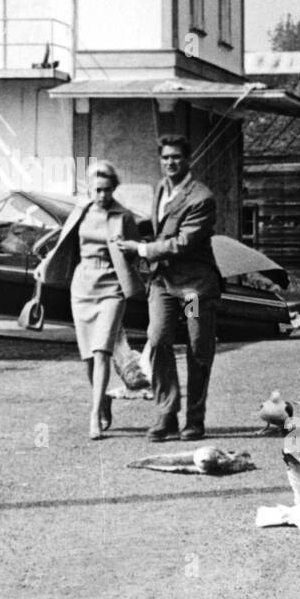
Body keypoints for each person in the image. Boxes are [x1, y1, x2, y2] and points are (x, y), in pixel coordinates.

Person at [115, 134, 222, 442]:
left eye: (176, 157)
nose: (170, 163)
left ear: (188, 160)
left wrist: (142, 250)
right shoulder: (161, 188)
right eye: (165, 158)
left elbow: (185, 242)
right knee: (158, 339)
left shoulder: (201, 197)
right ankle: (167, 414)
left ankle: (194, 419)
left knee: (197, 347)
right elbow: (162, 229)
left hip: (193, 289)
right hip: (163, 283)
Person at [34, 160, 143, 440]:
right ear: (89, 189)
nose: (102, 195)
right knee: (88, 358)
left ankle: (94, 414)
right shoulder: (80, 210)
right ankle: (103, 398)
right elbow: (64, 242)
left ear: (114, 188)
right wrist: (45, 264)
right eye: (97, 190)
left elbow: (134, 254)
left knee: (102, 350)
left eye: (107, 190)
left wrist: (127, 254)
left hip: (112, 287)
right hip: (82, 286)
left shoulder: (125, 216)